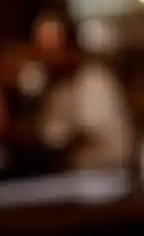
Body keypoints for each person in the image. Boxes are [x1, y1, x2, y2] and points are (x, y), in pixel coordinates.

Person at [34, 13, 131, 169]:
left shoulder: (94, 80)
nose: (47, 56)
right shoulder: (57, 87)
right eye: (41, 48)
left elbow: (89, 132)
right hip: (70, 177)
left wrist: (54, 145)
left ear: (70, 47)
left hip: (105, 177)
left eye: (53, 48)